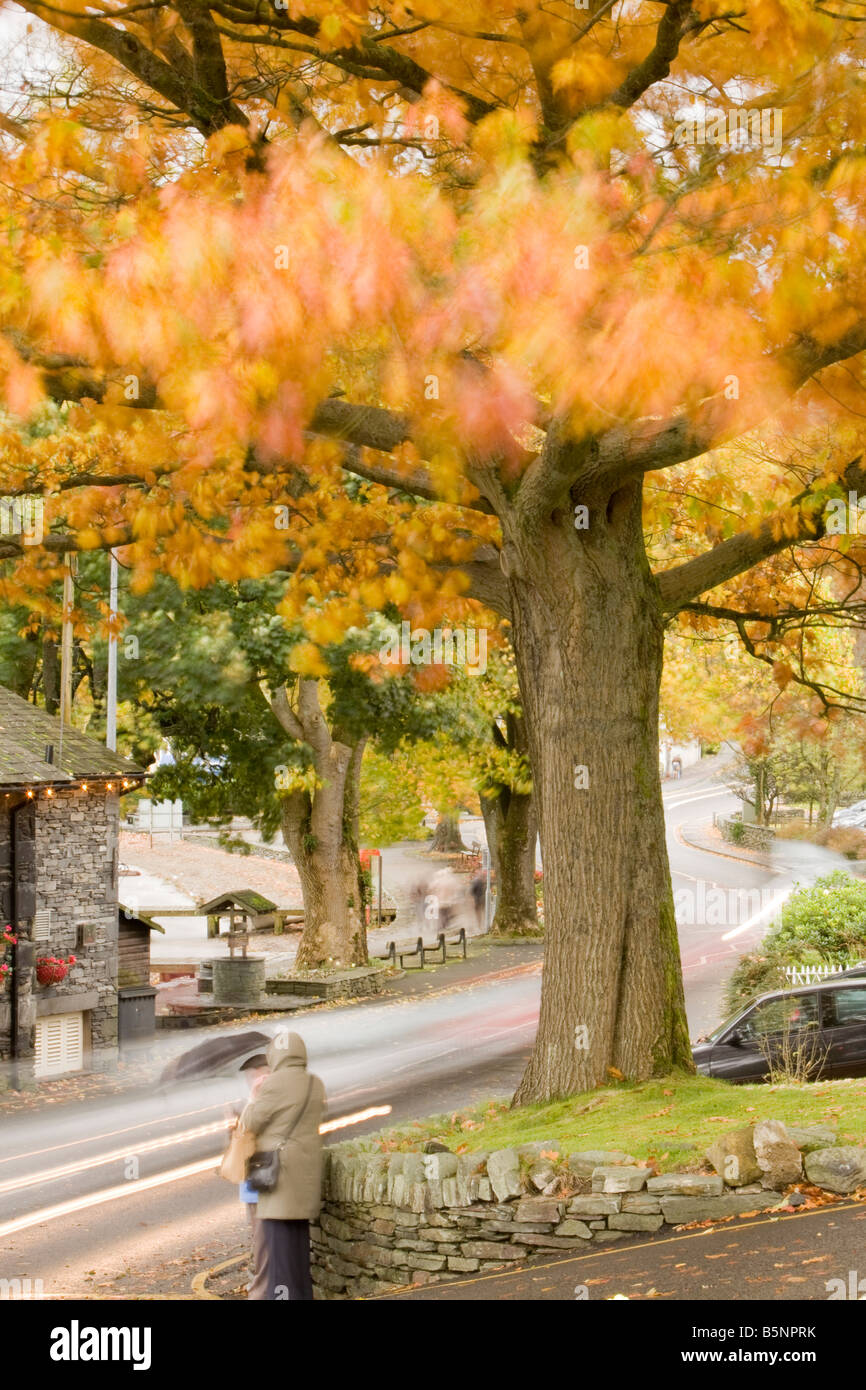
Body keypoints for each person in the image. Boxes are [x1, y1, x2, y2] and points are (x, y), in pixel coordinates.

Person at [240, 1031, 325, 1301]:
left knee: (279, 1258)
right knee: (298, 1252)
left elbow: (250, 1124)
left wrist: (254, 1097)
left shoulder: (273, 1084)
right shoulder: (314, 1083)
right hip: (305, 1175)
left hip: (278, 1177)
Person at [236, 1053, 270, 1300]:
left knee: (264, 1240)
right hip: (253, 1181)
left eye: (256, 1073)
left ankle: (261, 1292)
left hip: (265, 1178)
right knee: (261, 1238)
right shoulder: (246, 1102)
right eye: (250, 1075)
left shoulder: (264, 1100)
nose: (253, 1078)